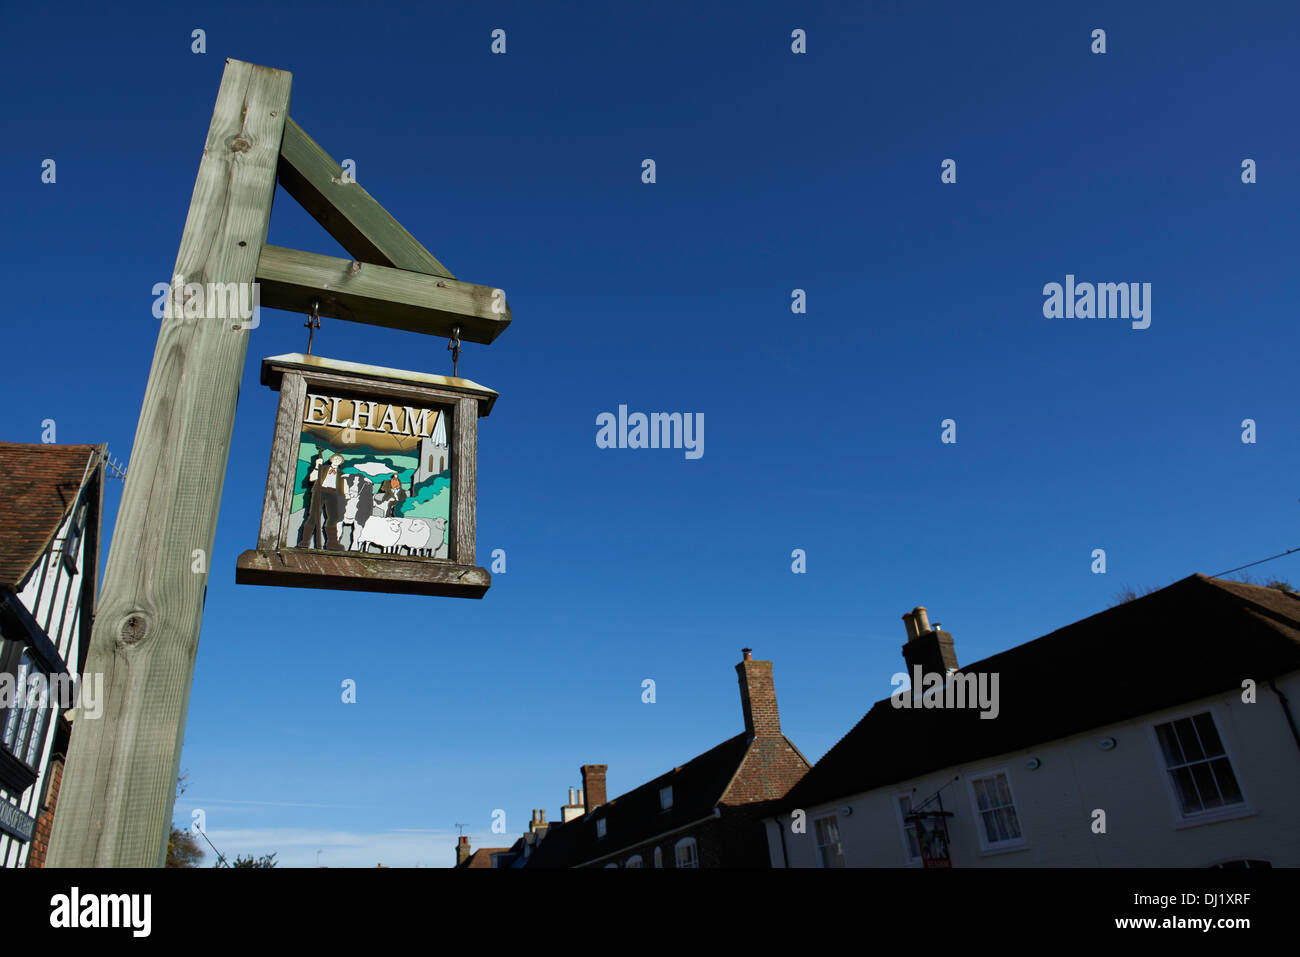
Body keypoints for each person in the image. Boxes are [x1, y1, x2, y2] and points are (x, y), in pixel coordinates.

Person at [299, 453, 348, 550]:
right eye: (335, 458)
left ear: (341, 462)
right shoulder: (323, 468)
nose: (337, 460)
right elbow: (312, 478)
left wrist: (346, 494)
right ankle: (305, 541)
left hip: (333, 494)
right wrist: (317, 466)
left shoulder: (341, 474)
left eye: (339, 459)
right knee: (313, 515)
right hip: (320, 491)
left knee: (333, 517)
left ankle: (332, 543)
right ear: (331, 459)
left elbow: (344, 486)